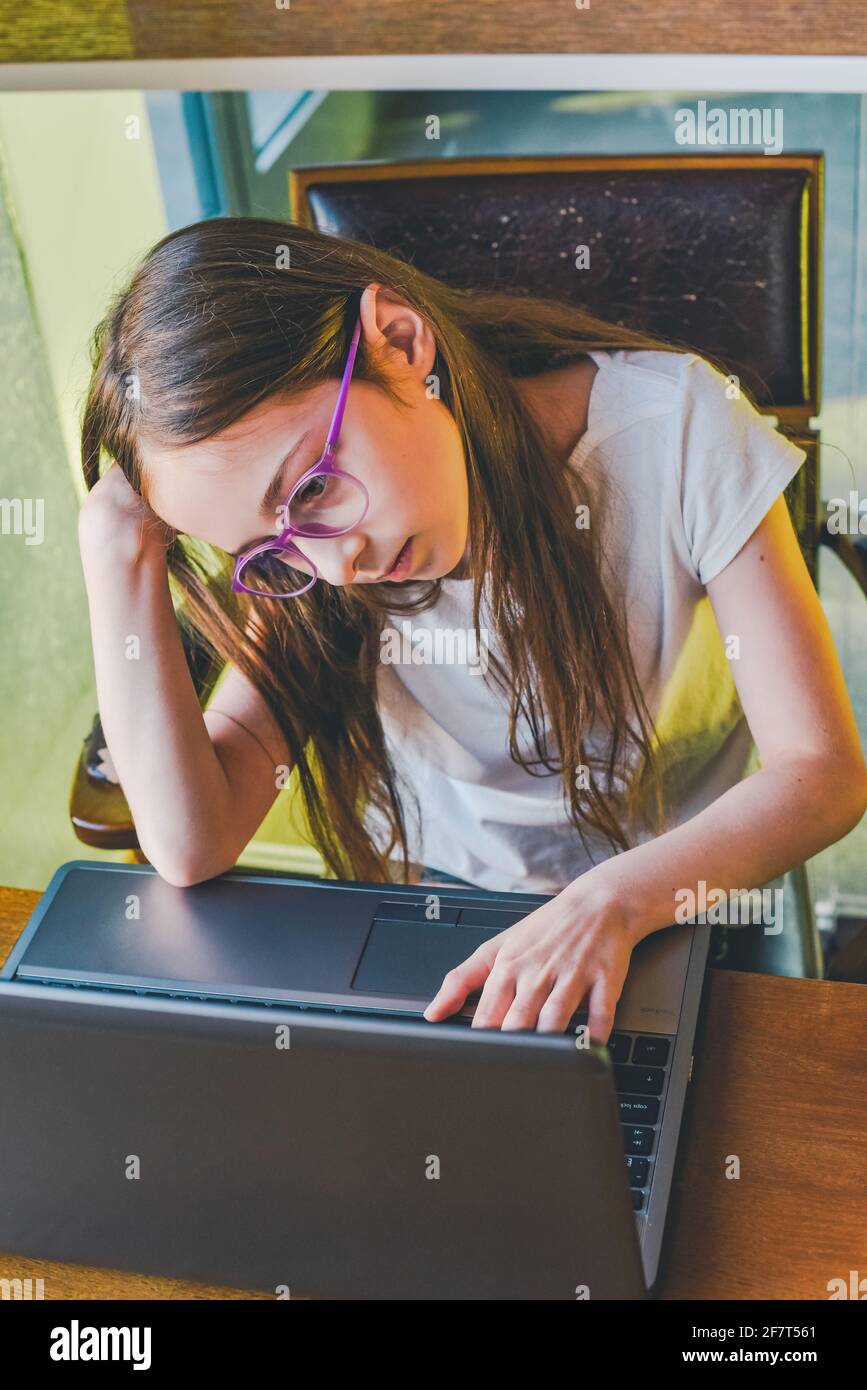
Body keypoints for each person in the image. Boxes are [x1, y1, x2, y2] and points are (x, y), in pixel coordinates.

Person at [77, 216, 866, 1040]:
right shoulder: (314, 569)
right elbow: (191, 844)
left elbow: (821, 773)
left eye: (310, 488)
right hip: (445, 902)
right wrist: (117, 553)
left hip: (674, 888)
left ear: (400, 341)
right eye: (267, 548)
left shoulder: (674, 432)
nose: (336, 566)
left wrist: (607, 905)